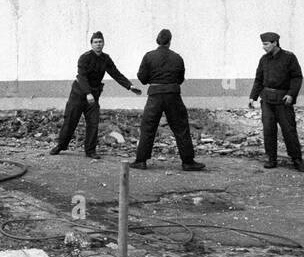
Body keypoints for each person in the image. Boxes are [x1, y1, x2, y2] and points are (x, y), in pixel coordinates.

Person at [49, 31, 140, 159]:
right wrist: (87, 93)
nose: (98, 44)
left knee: (93, 122)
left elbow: (115, 73)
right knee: (70, 121)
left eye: (100, 42)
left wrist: (129, 86)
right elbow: (81, 76)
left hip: (94, 95)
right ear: (91, 44)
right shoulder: (84, 57)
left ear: (103, 43)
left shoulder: (105, 58)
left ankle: (90, 151)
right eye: (95, 42)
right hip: (79, 94)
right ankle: (60, 146)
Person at [130, 29, 205, 171]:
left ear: (157, 41)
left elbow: (142, 78)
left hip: (155, 95)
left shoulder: (149, 56)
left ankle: (141, 161)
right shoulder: (177, 57)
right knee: (181, 127)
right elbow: (180, 79)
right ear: (170, 41)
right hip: (173, 95)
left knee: (148, 127)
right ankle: (188, 162)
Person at [248, 32, 304, 171]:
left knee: (289, 130)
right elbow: (258, 79)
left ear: (275, 43)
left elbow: (297, 77)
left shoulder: (289, 57)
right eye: (263, 44)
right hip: (267, 100)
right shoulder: (264, 60)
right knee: (268, 129)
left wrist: (291, 94)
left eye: (266, 44)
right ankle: (271, 158)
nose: (263, 47)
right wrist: (253, 97)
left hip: (283, 100)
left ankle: (297, 160)